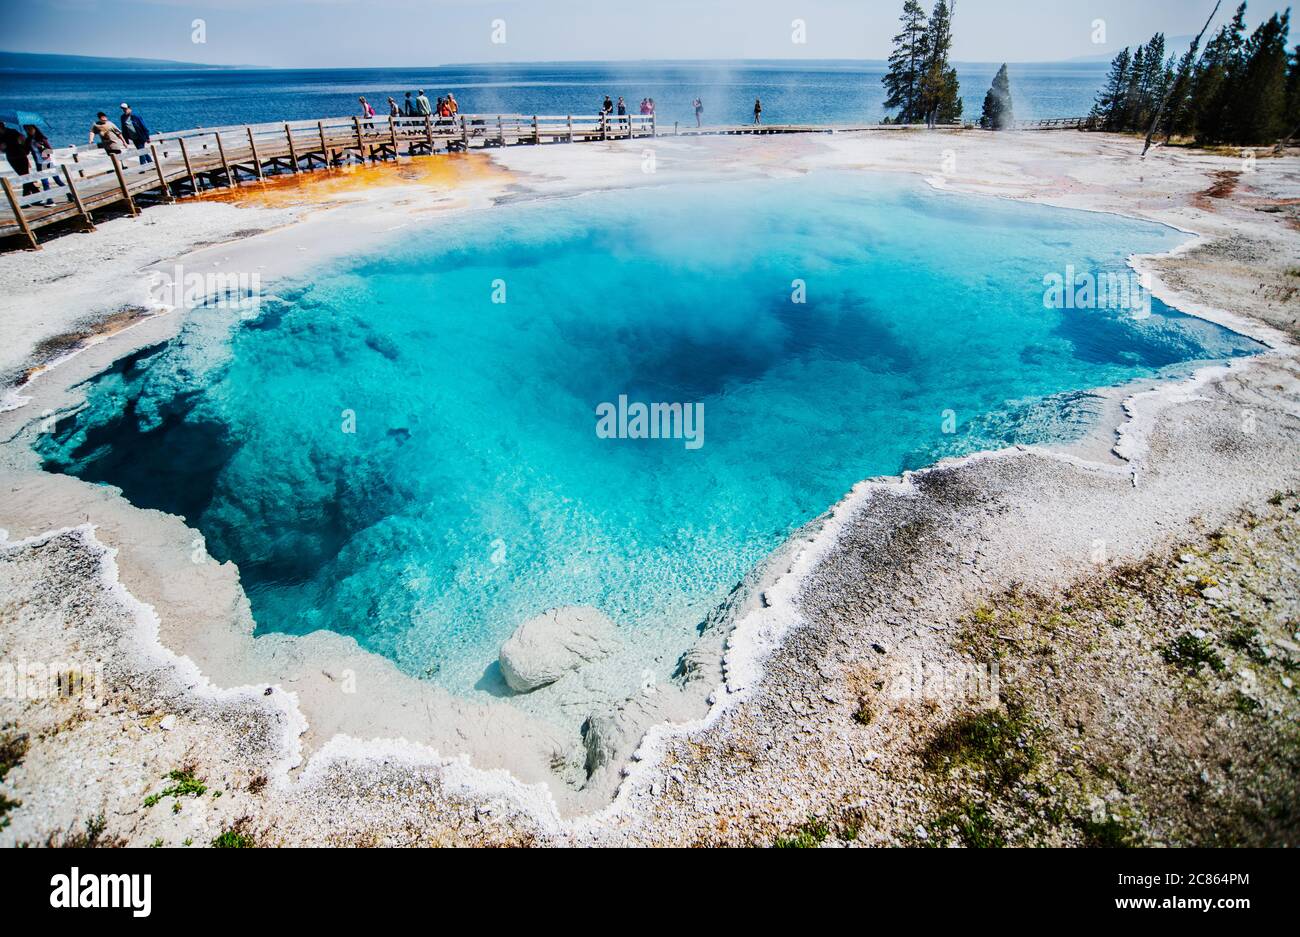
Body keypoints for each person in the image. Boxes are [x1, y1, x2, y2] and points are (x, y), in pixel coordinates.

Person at [27, 124, 64, 202]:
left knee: (55, 181)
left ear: (35, 129)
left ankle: (67, 195)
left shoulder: (41, 139)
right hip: (39, 163)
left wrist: (41, 147)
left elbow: (50, 150)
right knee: (46, 181)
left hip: (47, 162)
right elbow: (27, 152)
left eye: (30, 129)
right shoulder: (29, 140)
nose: (29, 130)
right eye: (27, 129)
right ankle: (51, 199)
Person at [1, 121, 33, 195]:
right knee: (24, 176)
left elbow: (22, 139)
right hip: (12, 157)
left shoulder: (12, 131)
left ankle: (27, 196)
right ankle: (35, 194)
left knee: (25, 176)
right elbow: (2, 149)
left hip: (20, 155)